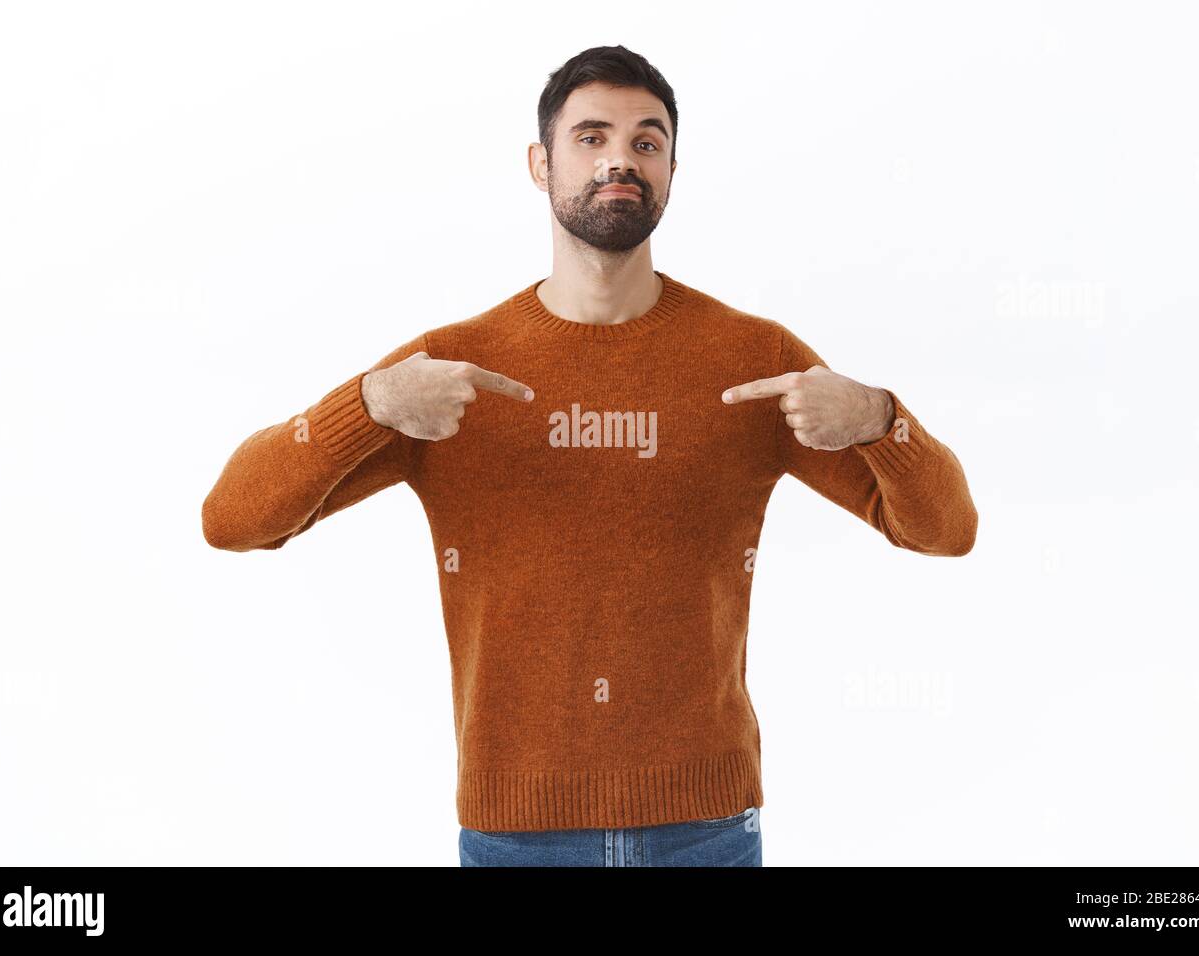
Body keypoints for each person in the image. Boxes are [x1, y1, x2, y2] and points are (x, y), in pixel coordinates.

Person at [201, 45, 978, 867]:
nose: (620, 159)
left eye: (648, 142)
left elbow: (945, 529)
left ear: (673, 168)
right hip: (515, 836)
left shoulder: (752, 358)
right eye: (591, 137)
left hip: (707, 830)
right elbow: (233, 520)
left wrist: (879, 419)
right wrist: (366, 406)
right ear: (540, 164)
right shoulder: (449, 369)